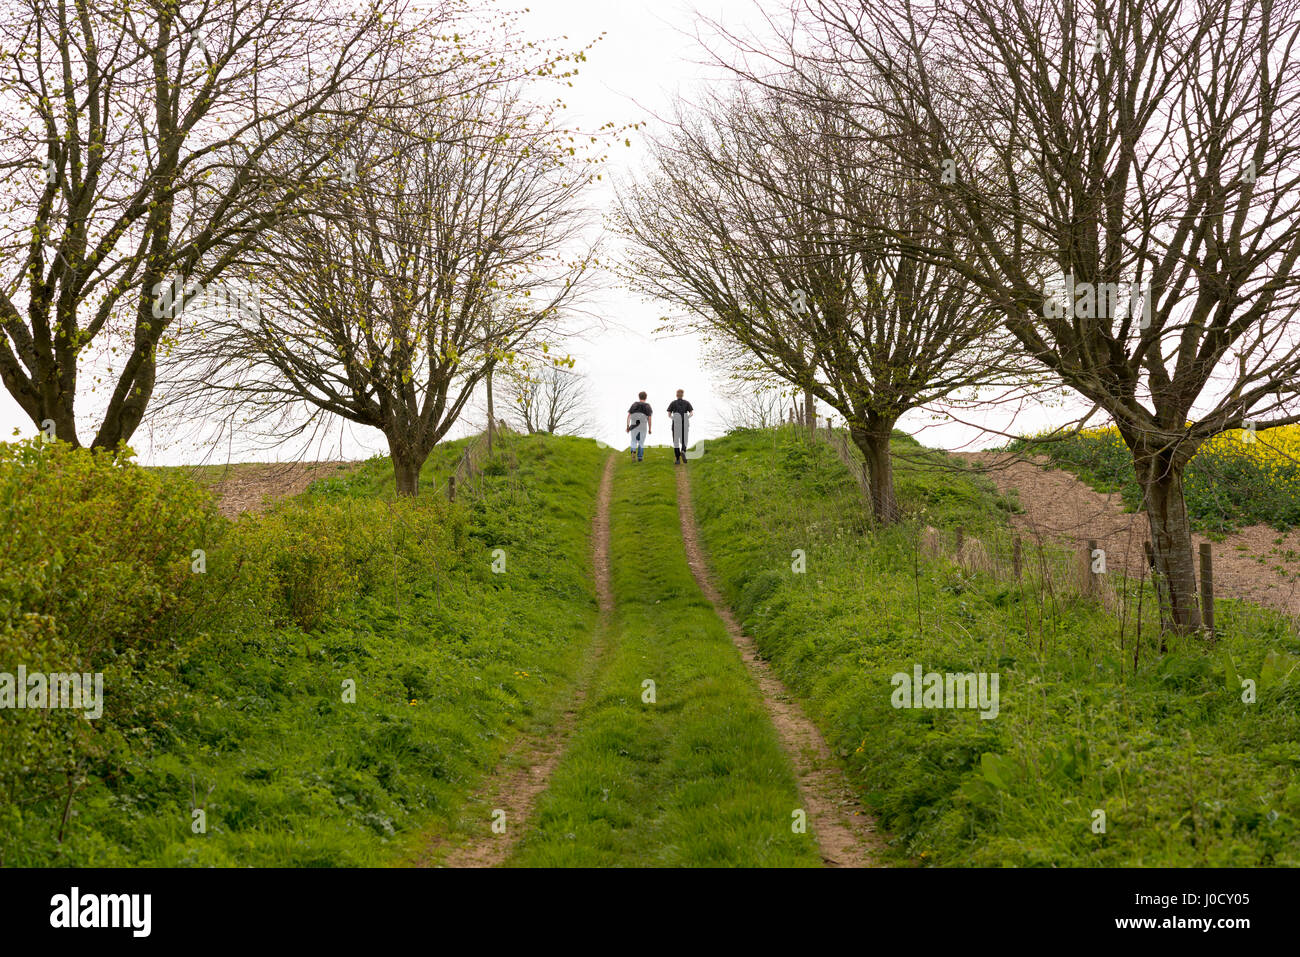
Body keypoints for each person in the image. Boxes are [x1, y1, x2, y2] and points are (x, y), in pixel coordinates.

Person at [666, 389, 694, 464]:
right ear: (683, 395)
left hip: (675, 424)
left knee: (676, 441)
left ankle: (678, 459)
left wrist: (673, 418)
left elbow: (669, 414)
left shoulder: (673, 403)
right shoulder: (687, 403)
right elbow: (691, 413)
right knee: (684, 440)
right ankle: (683, 450)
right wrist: (687, 417)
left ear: (676, 395)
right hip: (685, 423)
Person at [626, 391, 652, 462]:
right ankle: (640, 457)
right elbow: (649, 418)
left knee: (633, 440)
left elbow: (629, 416)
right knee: (641, 442)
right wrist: (650, 429)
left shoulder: (634, 405)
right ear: (646, 397)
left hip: (634, 425)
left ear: (639, 397)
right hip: (643, 426)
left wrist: (628, 426)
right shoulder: (647, 406)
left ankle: (633, 450)